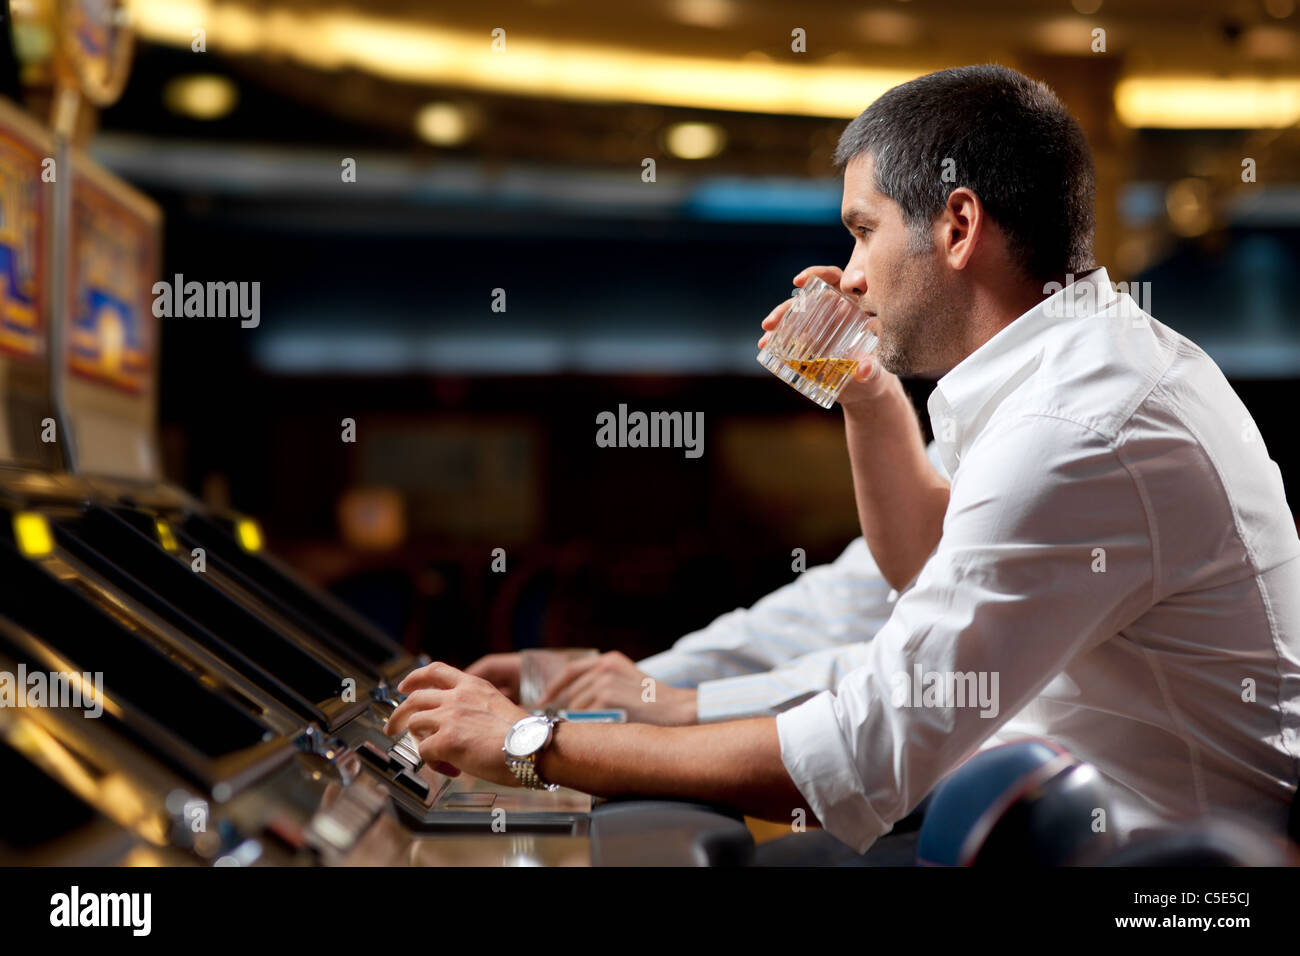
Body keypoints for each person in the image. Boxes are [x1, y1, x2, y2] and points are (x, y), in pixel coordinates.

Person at [387, 64, 1300, 854]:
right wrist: (866, 394)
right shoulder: (1059, 379)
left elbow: (868, 750)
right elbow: (907, 576)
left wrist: (532, 744)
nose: (849, 273)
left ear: (956, 226)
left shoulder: (1075, 426)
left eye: (862, 231)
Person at [464, 442, 949, 727]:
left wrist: (683, 703)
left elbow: (926, 670)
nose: (851, 277)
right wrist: (602, 686)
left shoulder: (1019, 426)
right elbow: (830, 614)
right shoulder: (961, 429)